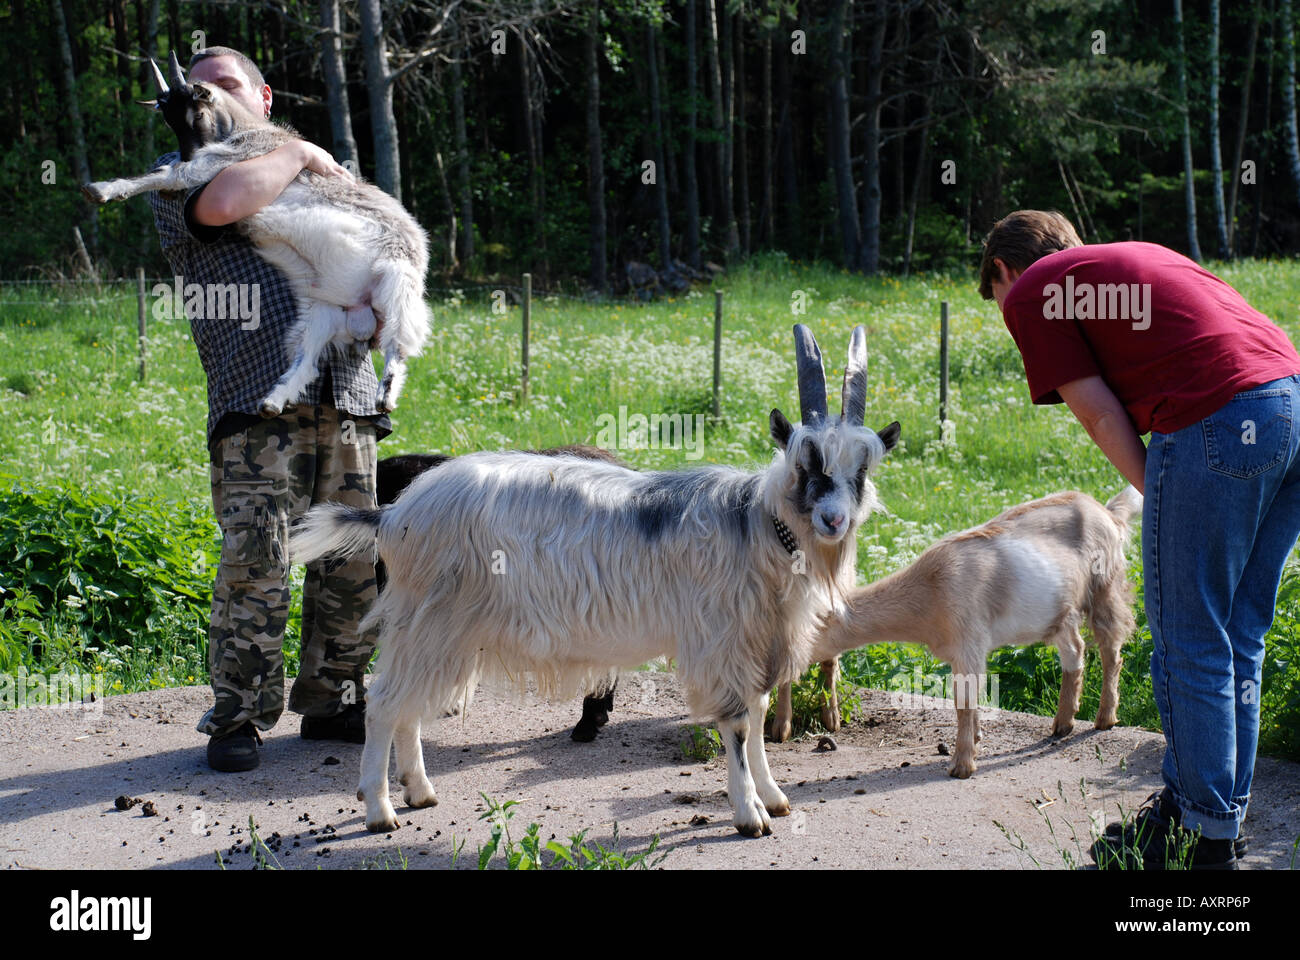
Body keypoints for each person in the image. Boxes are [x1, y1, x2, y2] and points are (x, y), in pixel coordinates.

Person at [980, 210, 1300, 869]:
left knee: (1190, 639)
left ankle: (1206, 843)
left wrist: (1166, 497)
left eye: (997, 296)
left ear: (1004, 271)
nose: (1008, 314)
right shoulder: (1131, 256)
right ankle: (1203, 817)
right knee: (1238, 634)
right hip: (1289, 407)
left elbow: (1098, 412)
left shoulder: (1038, 286)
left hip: (1218, 415)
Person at [148, 45, 391, 771]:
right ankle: (238, 718)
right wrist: (305, 151)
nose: (209, 96)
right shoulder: (181, 174)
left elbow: (375, 259)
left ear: (264, 96)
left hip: (345, 397)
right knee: (256, 563)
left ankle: (336, 701)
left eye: (225, 84)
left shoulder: (324, 183)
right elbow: (224, 203)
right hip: (255, 406)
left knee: (350, 560)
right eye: (199, 87)